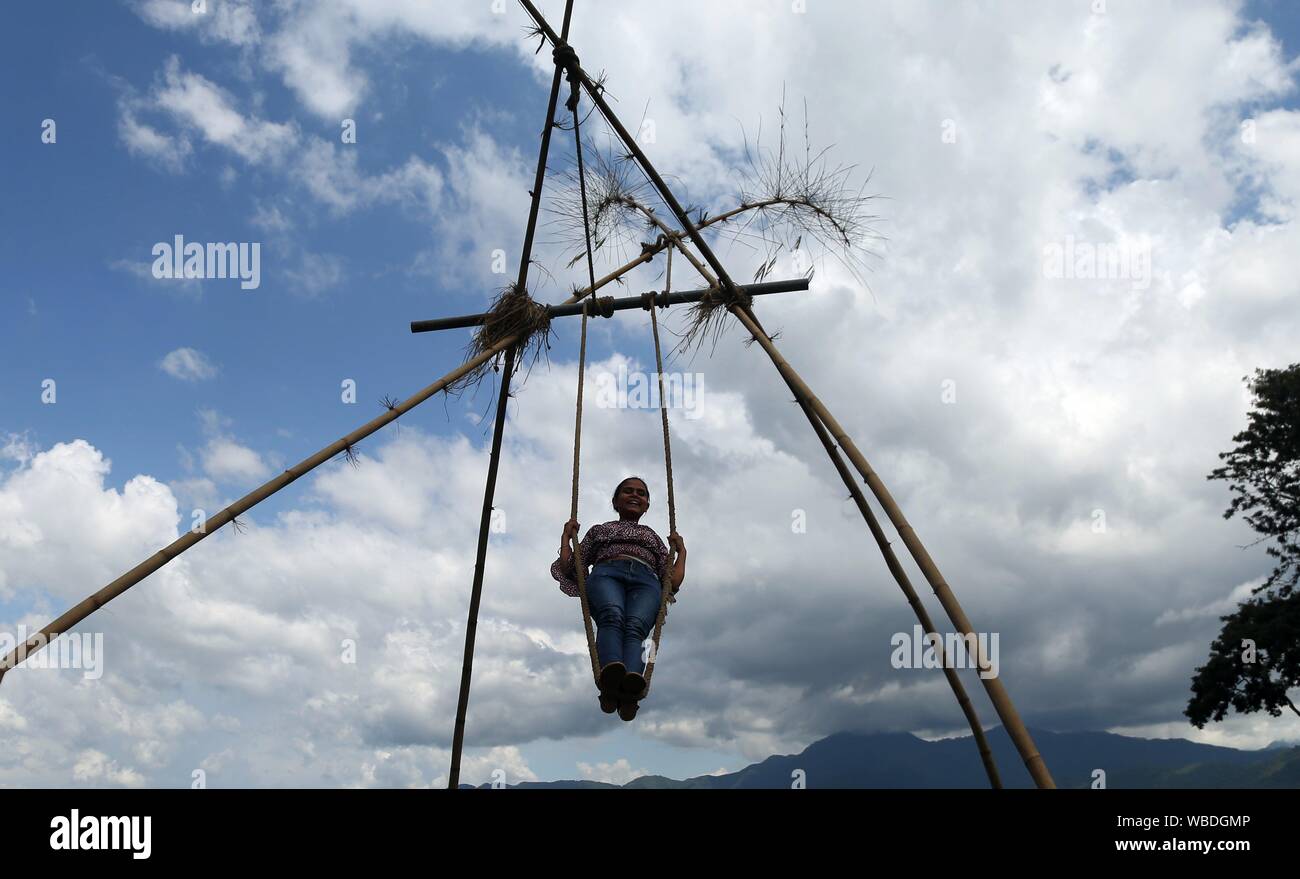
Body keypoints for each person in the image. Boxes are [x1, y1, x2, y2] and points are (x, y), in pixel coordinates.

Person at [552, 476, 686, 721]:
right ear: (615, 501)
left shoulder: (653, 538)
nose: (635, 495)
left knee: (636, 628)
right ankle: (612, 672)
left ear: (646, 505)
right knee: (612, 616)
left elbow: (672, 581)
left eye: (641, 493)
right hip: (607, 572)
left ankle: (630, 687)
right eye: (628, 491)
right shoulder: (600, 531)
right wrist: (566, 537)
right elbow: (573, 567)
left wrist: (682, 552)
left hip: (646, 579)